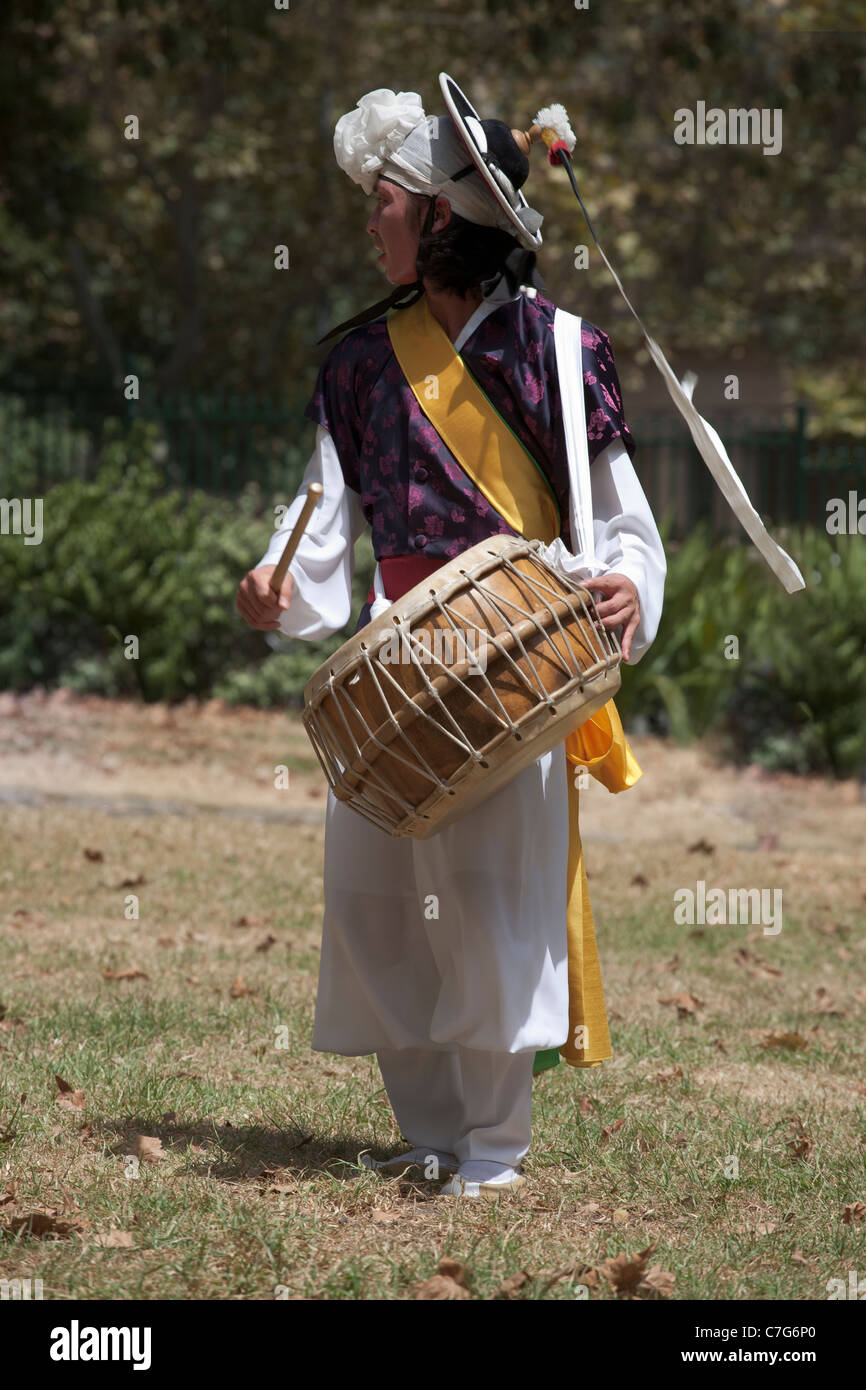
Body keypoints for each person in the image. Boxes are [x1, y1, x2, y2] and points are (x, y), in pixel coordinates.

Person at [236, 77, 666, 1198]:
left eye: (384, 199)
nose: (369, 218)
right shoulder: (354, 365)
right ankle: (424, 1127)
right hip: (392, 658)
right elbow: (321, 522)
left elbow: (621, 526)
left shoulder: (563, 352)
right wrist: (282, 589)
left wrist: (622, 583)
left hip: (514, 658)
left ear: (437, 215)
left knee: (489, 900)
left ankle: (492, 1147)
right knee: (376, 897)